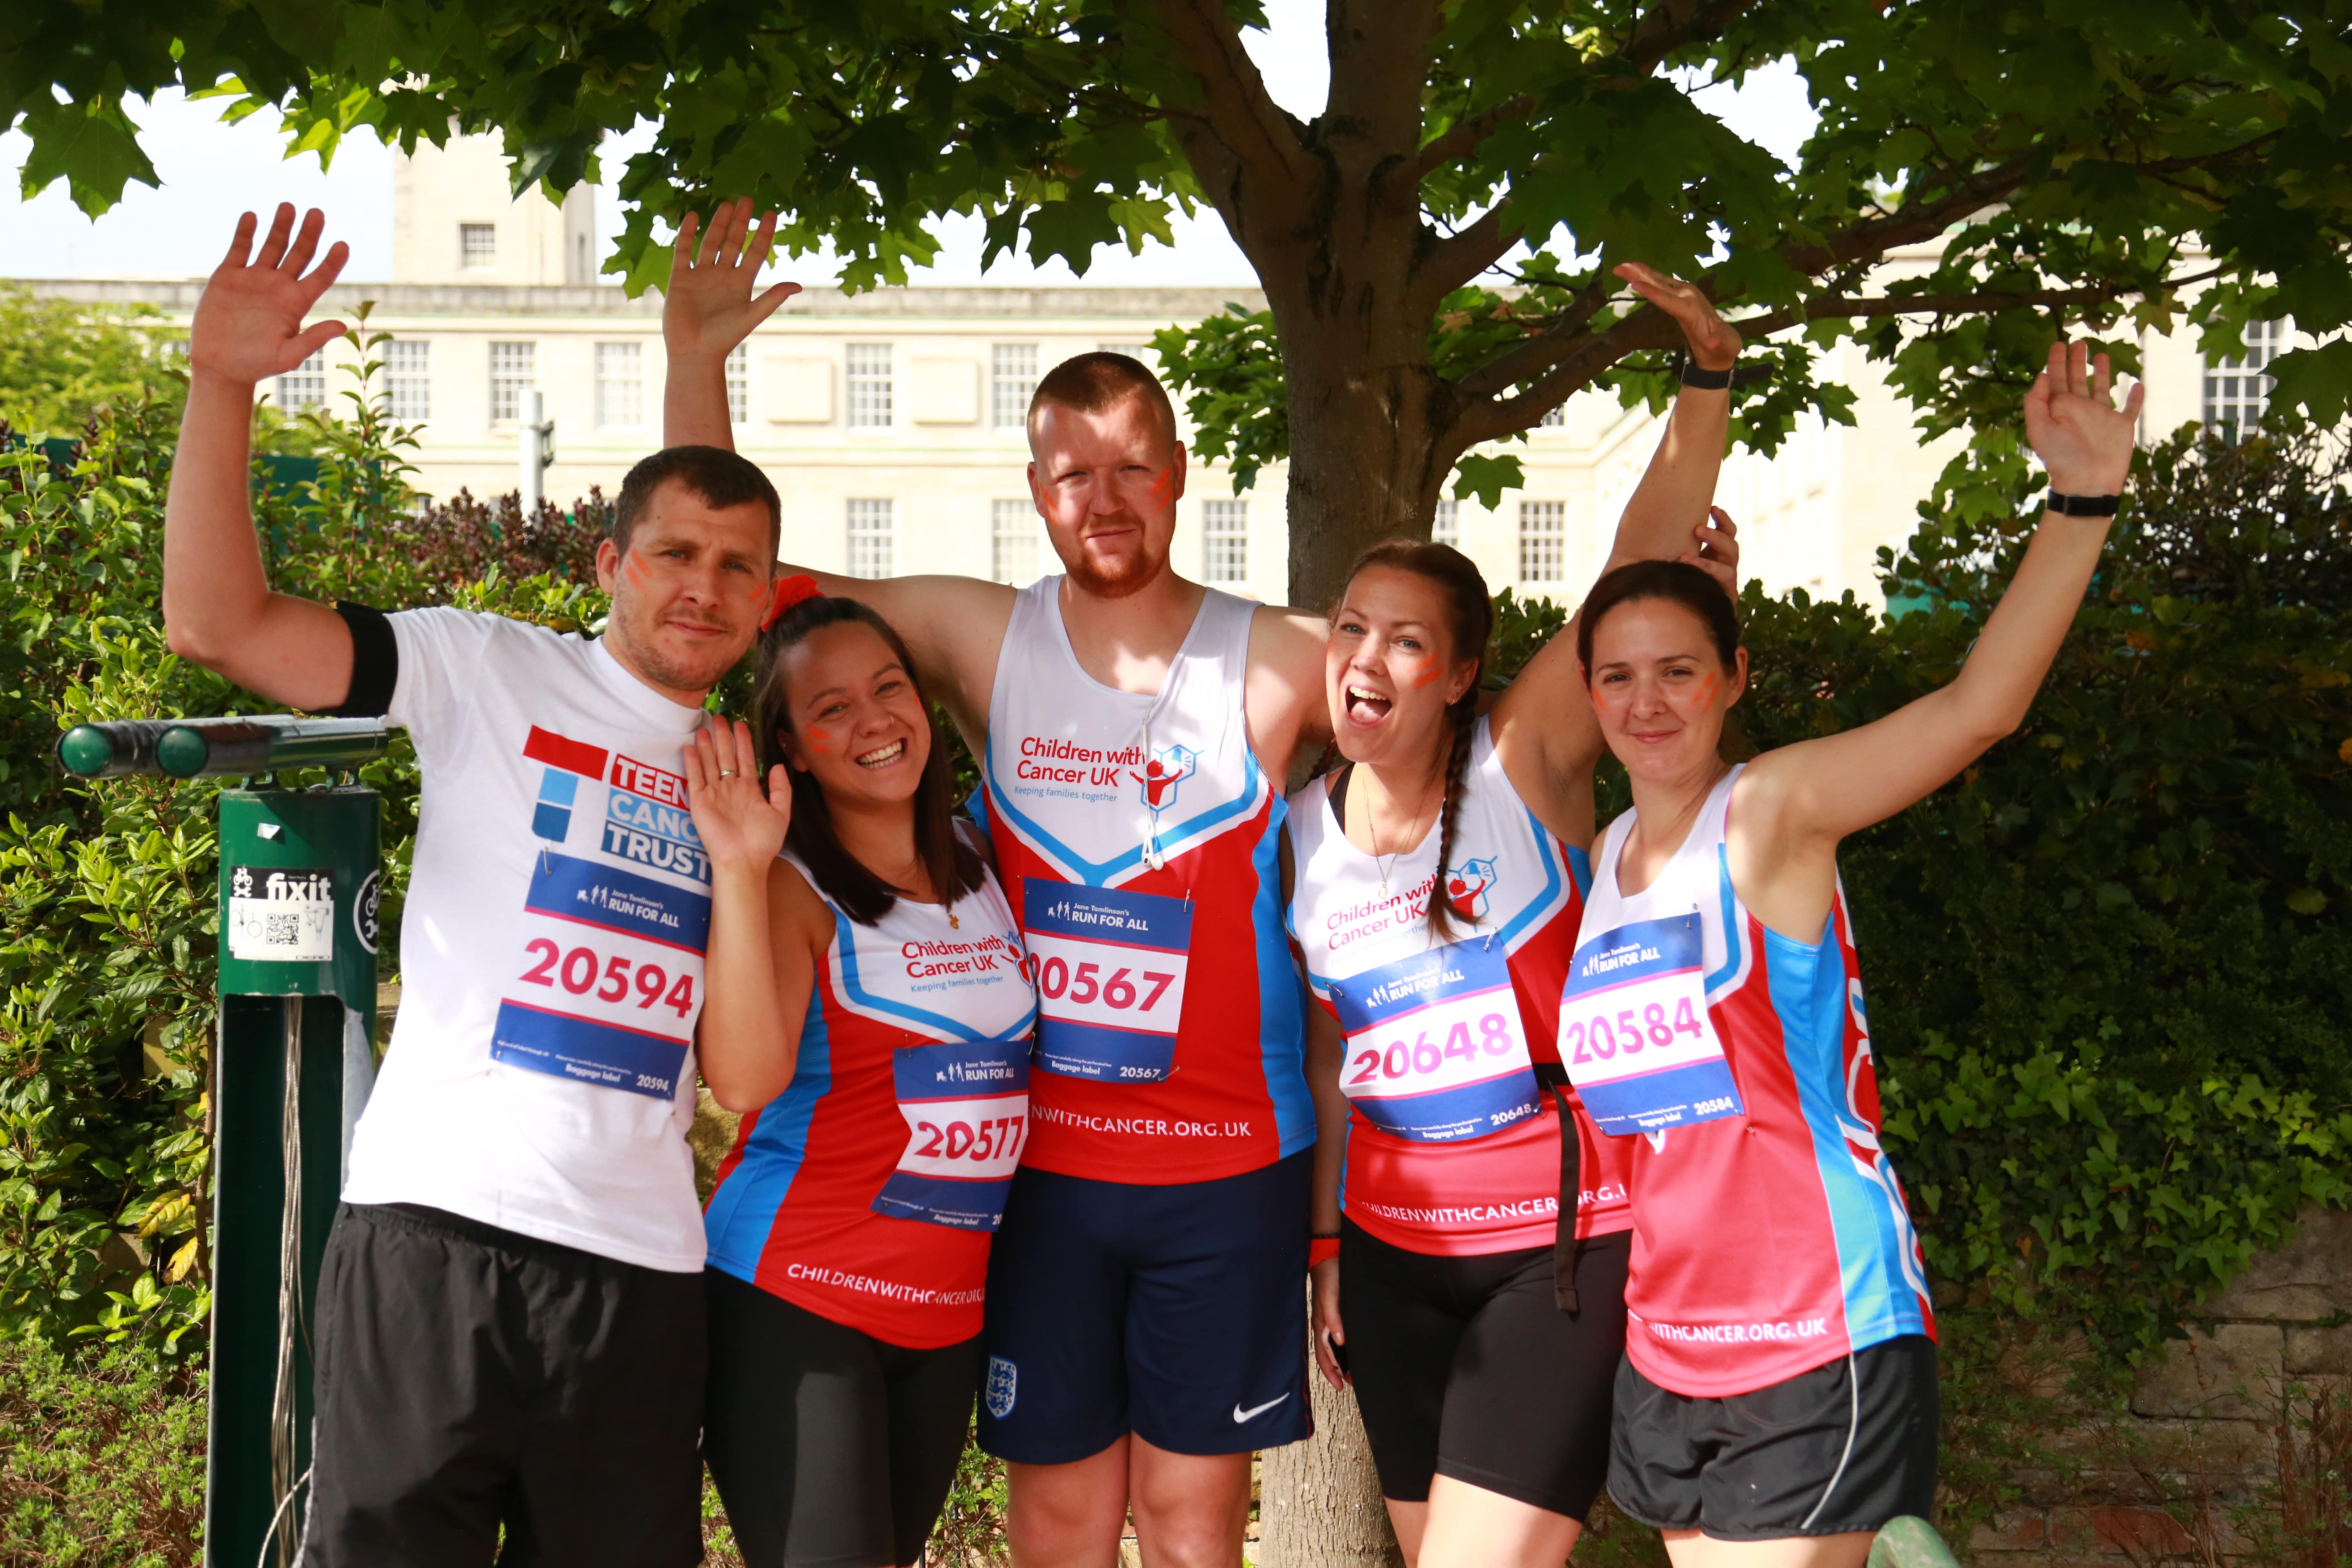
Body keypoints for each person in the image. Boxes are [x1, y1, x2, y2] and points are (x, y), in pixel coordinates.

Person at [662, 198, 1747, 1568]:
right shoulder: (977, 634)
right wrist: (697, 366)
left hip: (1232, 1173)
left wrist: (1700, 392)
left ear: (1178, 473)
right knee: (1058, 1516)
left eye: (1129, 467)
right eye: (1069, 474)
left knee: (1189, 1524)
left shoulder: (1288, 657)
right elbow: (727, 595)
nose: (1102, 500)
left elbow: (1599, 621)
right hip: (1048, 1173)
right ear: (1035, 488)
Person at [162, 203, 780, 1566]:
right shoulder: (484, 669)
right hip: (434, 1236)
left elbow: (704, 508)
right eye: (668, 556)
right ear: (605, 563)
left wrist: (692, 362)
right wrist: (217, 388)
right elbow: (221, 626)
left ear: (768, 596)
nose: (703, 586)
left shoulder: (748, 770)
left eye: (739, 569)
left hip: (641, 1275)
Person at [1565, 339, 2141, 1565]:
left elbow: (1976, 709)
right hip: (1670, 1340)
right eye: (1618, 676)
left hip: (1815, 1323)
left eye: (1679, 671)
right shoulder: (1604, 856)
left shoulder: (1773, 811)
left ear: (1735, 679)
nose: (1648, 701)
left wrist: (2081, 503)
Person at [1287, 319, 1743, 1564]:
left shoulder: (1518, 762)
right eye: (1351, 631)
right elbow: (1335, 1062)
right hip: (1388, 1260)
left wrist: (1703, 381)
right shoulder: (1296, 835)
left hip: (1553, 1251)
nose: (1368, 659)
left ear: (1459, 672)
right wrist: (1327, 1245)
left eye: (1407, 639)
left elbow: (1630, 567)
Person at [686, 581, 1038, 1568]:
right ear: (791, 747)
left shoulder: (982, 854)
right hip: (797, 1299)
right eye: (831, 708)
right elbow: (744, 1083)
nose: (874, 721)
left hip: (945, 1317)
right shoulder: (794, 888)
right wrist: (739, 869)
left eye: (889, 689)